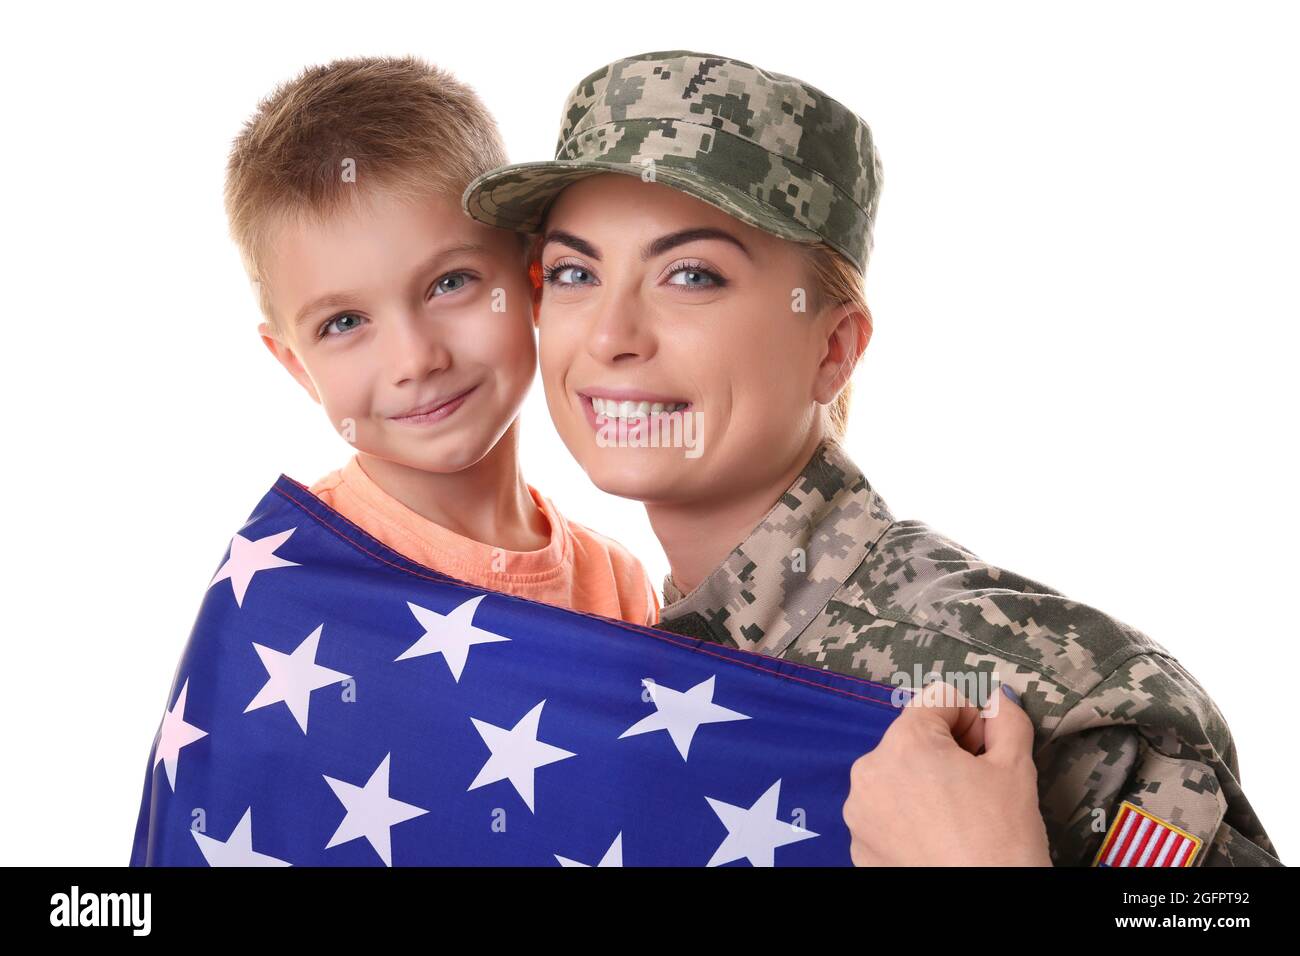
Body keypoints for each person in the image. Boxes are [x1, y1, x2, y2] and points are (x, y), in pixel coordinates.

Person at [462, 49, 1281, 865]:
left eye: (692, 275)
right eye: (573, 272)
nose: (610, 337)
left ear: (835, 348)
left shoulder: (1031, 692)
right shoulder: (614, 667)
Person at [222, 55, 659, 626]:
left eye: (450, 284)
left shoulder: (616, 586)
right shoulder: (283, 578)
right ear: (297, 367)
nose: (417, 360)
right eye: (345, 323)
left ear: (536, 278)